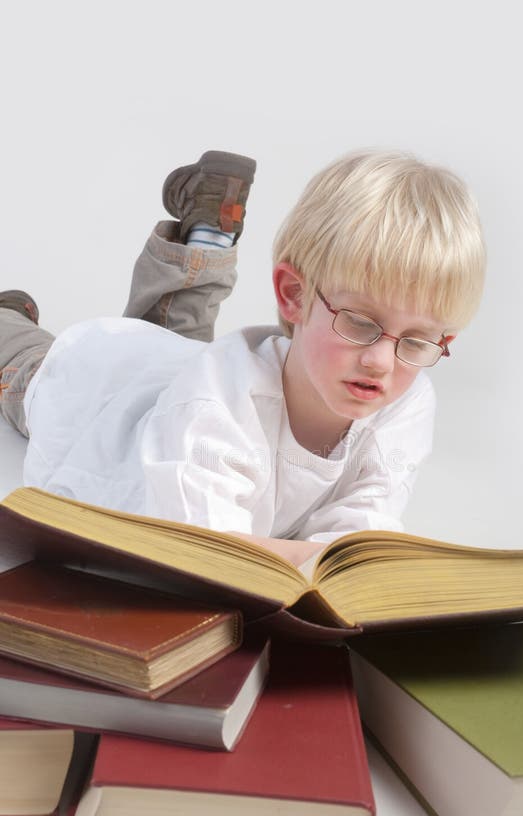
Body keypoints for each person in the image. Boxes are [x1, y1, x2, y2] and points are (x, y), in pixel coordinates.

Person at [0, 149, 486, 567]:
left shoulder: (407, 398)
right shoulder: (213, 406)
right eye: (359, 323)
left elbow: (360, 531)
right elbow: (208, 555)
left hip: (181, 379)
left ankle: (206, 241)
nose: (382, 361)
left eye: (419, 340)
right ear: (293, 295)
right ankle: (10, 317)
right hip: (98, 393)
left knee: (177, 339)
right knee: (24, 369)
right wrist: (316, 559)